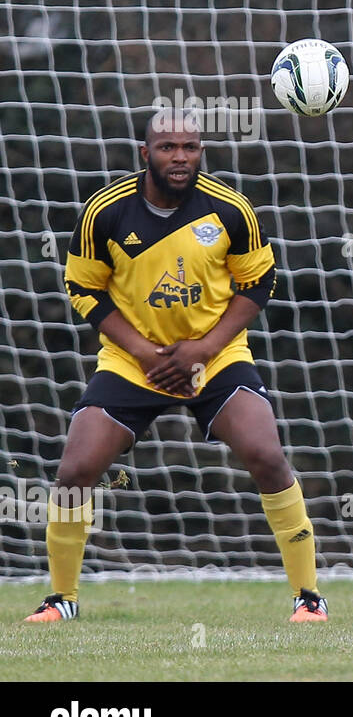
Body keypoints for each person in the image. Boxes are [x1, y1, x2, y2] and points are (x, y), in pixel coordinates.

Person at [26, 108, 327, 623]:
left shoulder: (231, 209)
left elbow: (259, 283)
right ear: (145, 154)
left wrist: (204, 348)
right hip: (131, 361)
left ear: (201, 152)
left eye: (190, 147)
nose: (180, 157)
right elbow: (83, 287)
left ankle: (308, 597)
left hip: (215, 358)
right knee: (75, 469)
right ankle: (61, 600)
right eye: (168, 147)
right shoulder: (106, 211)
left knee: (267, 456)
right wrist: (144, 352)